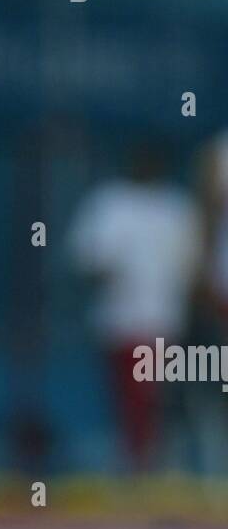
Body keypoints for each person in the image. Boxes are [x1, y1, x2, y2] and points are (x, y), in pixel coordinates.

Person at [67, 142, 200, 473]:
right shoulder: (110, 203)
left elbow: (193, 267)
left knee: (155, 399)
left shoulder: (176, 208)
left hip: (163, 321)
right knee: (128, 398)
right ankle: (135, 462)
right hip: (120, 320)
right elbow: (87, 258)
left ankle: (153, 462)